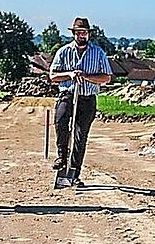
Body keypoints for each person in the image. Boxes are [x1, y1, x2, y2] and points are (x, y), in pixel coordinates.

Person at [48, 17, 113, 187]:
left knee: (80, 135)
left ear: (88, 34)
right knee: (61, 122)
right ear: (74, 34)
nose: (81, 35)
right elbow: (53, 76)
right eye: (78, 32)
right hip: (67, 95)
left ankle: (74, 172)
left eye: (84, 32)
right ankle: (62, 157)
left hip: (87, 99)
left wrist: (86, 77)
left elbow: (106, 77)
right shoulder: (63, 52)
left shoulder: (98, 53)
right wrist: (69, 74)